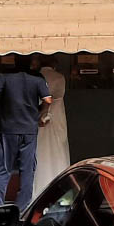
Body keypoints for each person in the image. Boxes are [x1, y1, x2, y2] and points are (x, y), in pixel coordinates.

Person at [0, 56, 53, 212]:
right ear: (31, 62)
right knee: (27, 169)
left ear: (14, 61)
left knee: (2, 168)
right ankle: (21, 209)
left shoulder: (5, 76)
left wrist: (0, 104)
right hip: (29, 130)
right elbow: (48, 100)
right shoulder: (37, 77)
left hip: (9, 129)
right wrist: (41, 113)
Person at [31, 55, 70, 198]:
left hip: (36, 115)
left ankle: (38, 187)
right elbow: (56, 97)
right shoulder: (59, 77)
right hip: (56, 115)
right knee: (57, 149)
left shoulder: (35, 76)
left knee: (39, 151)